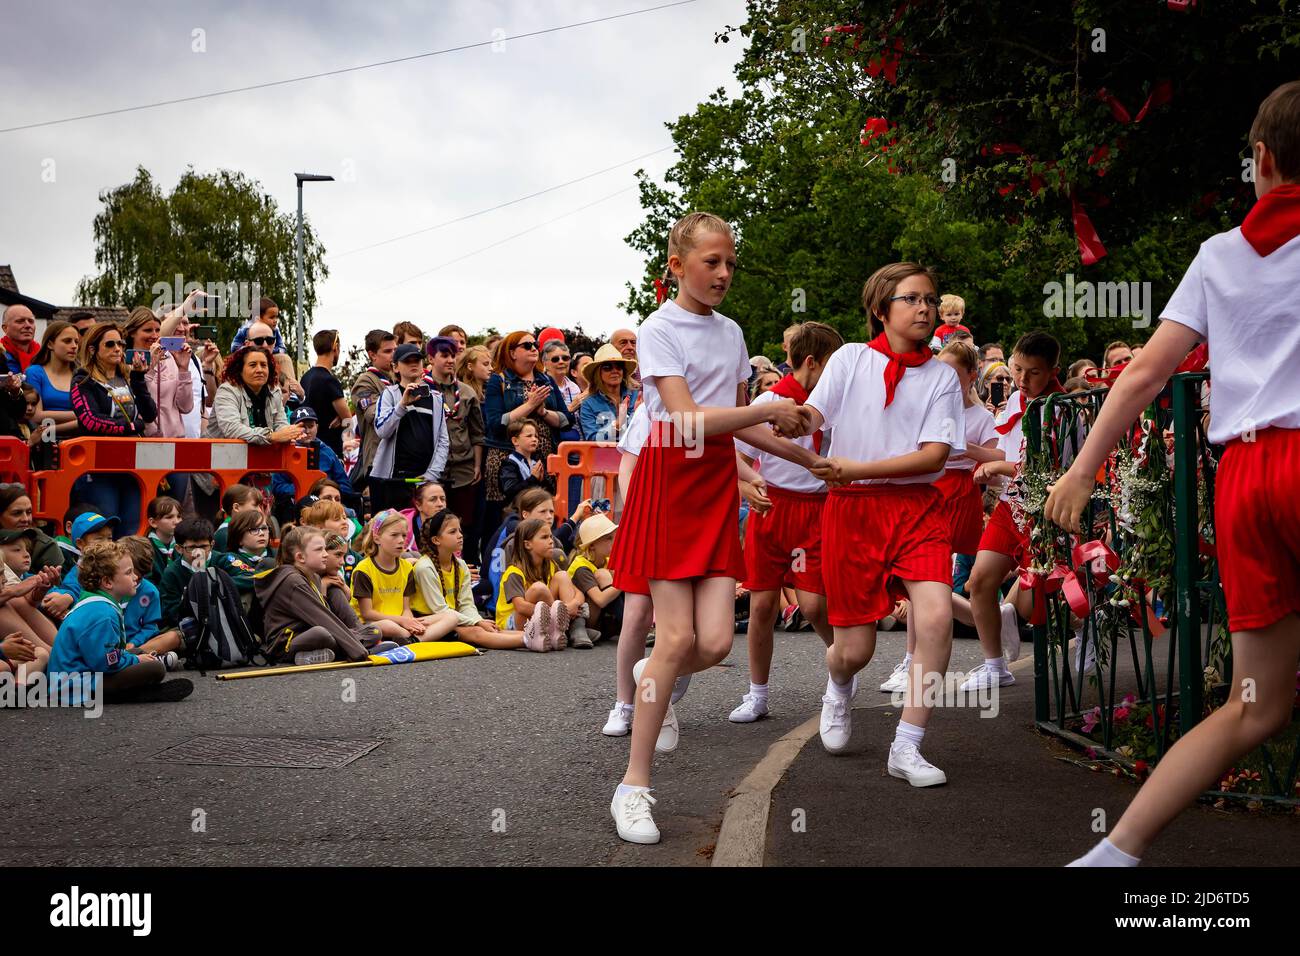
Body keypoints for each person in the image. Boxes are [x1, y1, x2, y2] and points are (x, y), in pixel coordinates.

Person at [1047, 79, 1300, 868]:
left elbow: (1146, 373)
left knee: (1252, 705)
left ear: (1260, 160)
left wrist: (1084, 470)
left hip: (1246, 476)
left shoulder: (1219, 253)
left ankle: (1114, 854)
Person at [605, 212, 807, 844]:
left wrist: (799, 454)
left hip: (715, 484)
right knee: (675, 638)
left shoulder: (733, 332)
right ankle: (634, 786)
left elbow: (733, 423)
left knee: (716, 642)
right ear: (676, 266)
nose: (722, 274)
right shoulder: (659, 329)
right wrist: (765, 407)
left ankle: (649, 680)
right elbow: (688, 419)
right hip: (670, 482)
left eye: (729, 264)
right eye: (710, 262)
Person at [800, 262, 965, 792]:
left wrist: (854, 468)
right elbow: (812, 418)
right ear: (881, 309)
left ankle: (907, 745)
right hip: (852, 512)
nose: (924, 308)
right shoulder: (849, 358)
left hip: (917, 508)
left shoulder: (942, 375)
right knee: (856, 652)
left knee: (936, 618)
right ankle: (839, 683)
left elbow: (934, 457)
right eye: (911, 298)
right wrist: (773, 417)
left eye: (930, 299)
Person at [728, 321, 843, 723]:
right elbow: (738, 455)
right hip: (771, 507)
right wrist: (745, 488)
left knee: (814, 605)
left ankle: (842, 670)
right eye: (832, 365)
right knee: (761, 606)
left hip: (814, 509)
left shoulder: (834, 404)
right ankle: (757, 694)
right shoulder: (770, 401)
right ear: (810, 363)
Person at [879, 339, 1006, 694]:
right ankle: (997, 621)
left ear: (970, 375)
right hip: (924, 489)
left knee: (923, 579)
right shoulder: (927, 407)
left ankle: (912, 662)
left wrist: (960, 443)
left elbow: (995, 464)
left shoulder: (979, 416)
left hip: (956, 492)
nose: (944, 379)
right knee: (919, 580)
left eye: (952, 372)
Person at [959, 330, 1064, 692]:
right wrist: (967, 449)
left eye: (1033, 372)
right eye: (1017, 368)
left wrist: (999, 469)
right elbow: (1003, 455)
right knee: (979, 581)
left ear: (1053, 371)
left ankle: (1089, 640)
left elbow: (1054, 473)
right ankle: (994, 666)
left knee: (1046, 596)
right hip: (1012, 506)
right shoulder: (1016, 401)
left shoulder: (1066, 410)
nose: (1021, 379)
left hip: (1048, 511)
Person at [46, 540, 194, 704]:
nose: (136, 577)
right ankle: (135, 694)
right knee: (155, 668)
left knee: (138, 653)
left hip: (80, 676)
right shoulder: (103, 614)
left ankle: (135, 687)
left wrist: (135, 657)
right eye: (129, 572)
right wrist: (137, 661)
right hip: (74, 688)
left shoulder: (98, 603)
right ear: (108, 582)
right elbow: (105, 664)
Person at [482, 330, 573, 542]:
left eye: (535, 345)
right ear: (512, 353)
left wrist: (542, 412)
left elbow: (566, 420)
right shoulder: (499, 380)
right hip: (507, 457)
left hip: (543, 458)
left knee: (543, 512)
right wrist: (529, 405)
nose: (534, 348)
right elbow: (495, 424)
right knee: (507, 514)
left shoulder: (545, 380)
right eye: (527, 345)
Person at [69, 322, 157, 535]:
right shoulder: (83, 380)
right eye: (110, 344)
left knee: (131, 529)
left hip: (130, 466)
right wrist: (131, 426)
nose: (117, 348)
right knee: (105, 528)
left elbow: (150, 414)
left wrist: (138, 378)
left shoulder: (126, 377)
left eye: (120, 343)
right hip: (99, 468)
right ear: (92, 349)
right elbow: (91, 421)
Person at [255, 526, 380, 666]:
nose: (326, 554)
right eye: (319, 550)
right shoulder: (293, 581)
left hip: (313, 633)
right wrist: (360, 653)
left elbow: (326, 616)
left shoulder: (313, 576)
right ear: (300, 557)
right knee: (322, 633)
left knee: (374, 631)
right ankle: (361, 650)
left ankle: (317, 656)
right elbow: (323, 618)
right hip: (285, 644)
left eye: (325, 549)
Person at [410, 509, 527, 649]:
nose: (460, 536)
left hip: (452, 619)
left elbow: (466, 604)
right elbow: (439, 610)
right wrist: (476, 623)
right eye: (452, 532)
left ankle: (537, 636)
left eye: (460, 531)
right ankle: (528, 641)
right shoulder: (425, 568)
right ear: (436, 540)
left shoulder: (460, 564)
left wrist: (478, 620)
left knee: (489, 628)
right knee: (477, 632)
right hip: (431, 622)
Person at [352, 510, 457, 642]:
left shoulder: (407, 568)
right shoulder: (363, 569)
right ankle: (416, 638)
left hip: (401, 622)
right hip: (373, 624)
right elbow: (367, 614)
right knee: (387, 626)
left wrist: (410, 622)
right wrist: (403, 621)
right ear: (377, 537)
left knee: (451, 616)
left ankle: (410, 639)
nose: (401, 540)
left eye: (403, 535)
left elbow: (406, 608)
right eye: (394, 535)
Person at [371, 343, 450, 514]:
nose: (414, 364)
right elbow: (382, 431)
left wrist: (431, 475)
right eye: (407, 361)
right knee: (391, 532)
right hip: (393, 480)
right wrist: (402, 405)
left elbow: (443, 441)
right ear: (396, 367)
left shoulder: (436, 398)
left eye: (417, 360)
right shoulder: (389, 394)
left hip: (425, 480)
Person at [494, 517, 583, 649]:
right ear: (527, 544)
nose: (551, 541)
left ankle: (571, 629)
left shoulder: (551, 564)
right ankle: (559, 627)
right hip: (514, 624)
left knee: (562, 576)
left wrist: (573, 604)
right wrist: (556, 611)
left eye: (551, 537)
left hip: (542, 616)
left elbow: (578, 592)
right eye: (544, 537)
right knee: (539, 589)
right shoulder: (514, 572)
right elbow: (520, 607)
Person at [427, 336, 484, 540]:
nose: (450, 360)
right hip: (432, 471)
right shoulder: (422, 390)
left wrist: (477, 465)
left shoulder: (467, 393)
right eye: (444, 355)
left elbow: (477, 433)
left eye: (453, 355)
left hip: (463, 470)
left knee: (463, 526)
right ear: (431, 358)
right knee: (433, 524)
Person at [205, 345, 303, 446]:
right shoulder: (227, 391)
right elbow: (232, 429)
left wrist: (291, 433)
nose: (259, 370)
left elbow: (280, 424)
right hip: (219, 456)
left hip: (256, 456)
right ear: (240, 370)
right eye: (253, 365)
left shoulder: (275, 391)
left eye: (264, 365)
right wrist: (271, 436)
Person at [119, 536, 182, 667]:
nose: (135, 579)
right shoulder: (108, 588)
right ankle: (146, 660)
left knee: (173, 637)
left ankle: (135, 657)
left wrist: (134, 642)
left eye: (140, 577)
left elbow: (150, 627)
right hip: (109, 645)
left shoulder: (150, 591)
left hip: (137, 644)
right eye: (130, 573)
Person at [351, 329, 398, 493]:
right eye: (387, 351)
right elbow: (374, 415)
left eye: (395, 350)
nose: (393, 355)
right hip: (378, 459)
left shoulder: (398, 379)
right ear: (372, 355)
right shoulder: (367, 380)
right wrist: (403, 404)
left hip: (400, 457)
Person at [565, 513, 622, 648]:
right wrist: (623, 582)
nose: (614, 542)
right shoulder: (581, 567)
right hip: (583, 620)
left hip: (602, 620)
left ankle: (634, 625)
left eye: (614, 537)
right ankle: (633, 626)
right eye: (609, 538)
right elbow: (601, 600)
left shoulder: (606, 561)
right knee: (607, 577)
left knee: (607, 575)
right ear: (591, 546)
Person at [24, 321, 81, 443]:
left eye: (76, 342)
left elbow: (92, 417)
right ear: (50, 344)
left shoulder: (82, 375)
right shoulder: (34, 373)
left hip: (79, 441)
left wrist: (53, 427)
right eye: (67, 341)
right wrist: (80, 415)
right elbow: (35, 415)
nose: (74, 346)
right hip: (44, 443)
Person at [300, 329, 353, 457]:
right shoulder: (329, 380)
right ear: (335, 348)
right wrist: (347, 443)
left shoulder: (306, 377)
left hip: (307, 447)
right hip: (329, 451)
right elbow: (348, 419)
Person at [575, 343, 639, 442]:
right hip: (605, 456)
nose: (615, 371)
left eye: (619, 367)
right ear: (598, 373)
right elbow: (592, 439)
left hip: (637, 454)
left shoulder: (636, 396)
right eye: (607, 368)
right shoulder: (588, 404)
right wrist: (617, 425)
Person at [210, 508, 275, 604]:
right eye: (253, 529)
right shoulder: (229, 558)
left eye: (264, 528)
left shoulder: (276, 554)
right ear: (239, 537)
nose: (261, 533)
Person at [159, 517, 212, 629]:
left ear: (212, 545)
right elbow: (172, 613)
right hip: (190, 625)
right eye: (192, 547)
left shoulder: (220, 560)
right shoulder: (172, 573)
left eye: (203, 546)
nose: (198, 553)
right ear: (179, 548)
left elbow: (248, 577)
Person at [0, 485, 65, 573]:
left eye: (29, 512)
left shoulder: (45, 546)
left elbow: (55, 584)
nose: (25, 519)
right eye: (17, 513)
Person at [499, 420, 546, 502]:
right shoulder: (510, 463)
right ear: (515, 441)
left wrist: (541, 481)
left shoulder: (537, 461)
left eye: (536, 436)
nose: (534, 439)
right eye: (529, 436)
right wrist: (533, 478)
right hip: (517, 510)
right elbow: (510, 491)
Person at [213, 484, 264, 552]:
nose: (260, 510)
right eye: (255, 506)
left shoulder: (240, 528)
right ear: (236, 508)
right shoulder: (225, 533)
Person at [398, 480, 445, 554]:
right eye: (433, 499)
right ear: (418, 505)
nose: (440, 504)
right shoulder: (400, 527)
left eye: (442, 499)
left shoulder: (451, 525)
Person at [145, 496, 182, 584]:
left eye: (179, 516)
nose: (177, 521)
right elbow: (147, 581)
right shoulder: (145, 548)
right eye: (169, 517)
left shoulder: (183, 544)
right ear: (153, 522)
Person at [541, 339, 583, 416]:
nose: (561, 362)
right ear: (545, 363)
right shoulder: (540, 387)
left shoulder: (574, 387)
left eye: (565, 358)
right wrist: (570, 408)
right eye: (555, 359)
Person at [1, 304, 39, 374]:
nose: (28, 325)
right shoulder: (1, 355)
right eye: (20, 321)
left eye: (31, 321)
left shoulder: (44, 356)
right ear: (5, 328)